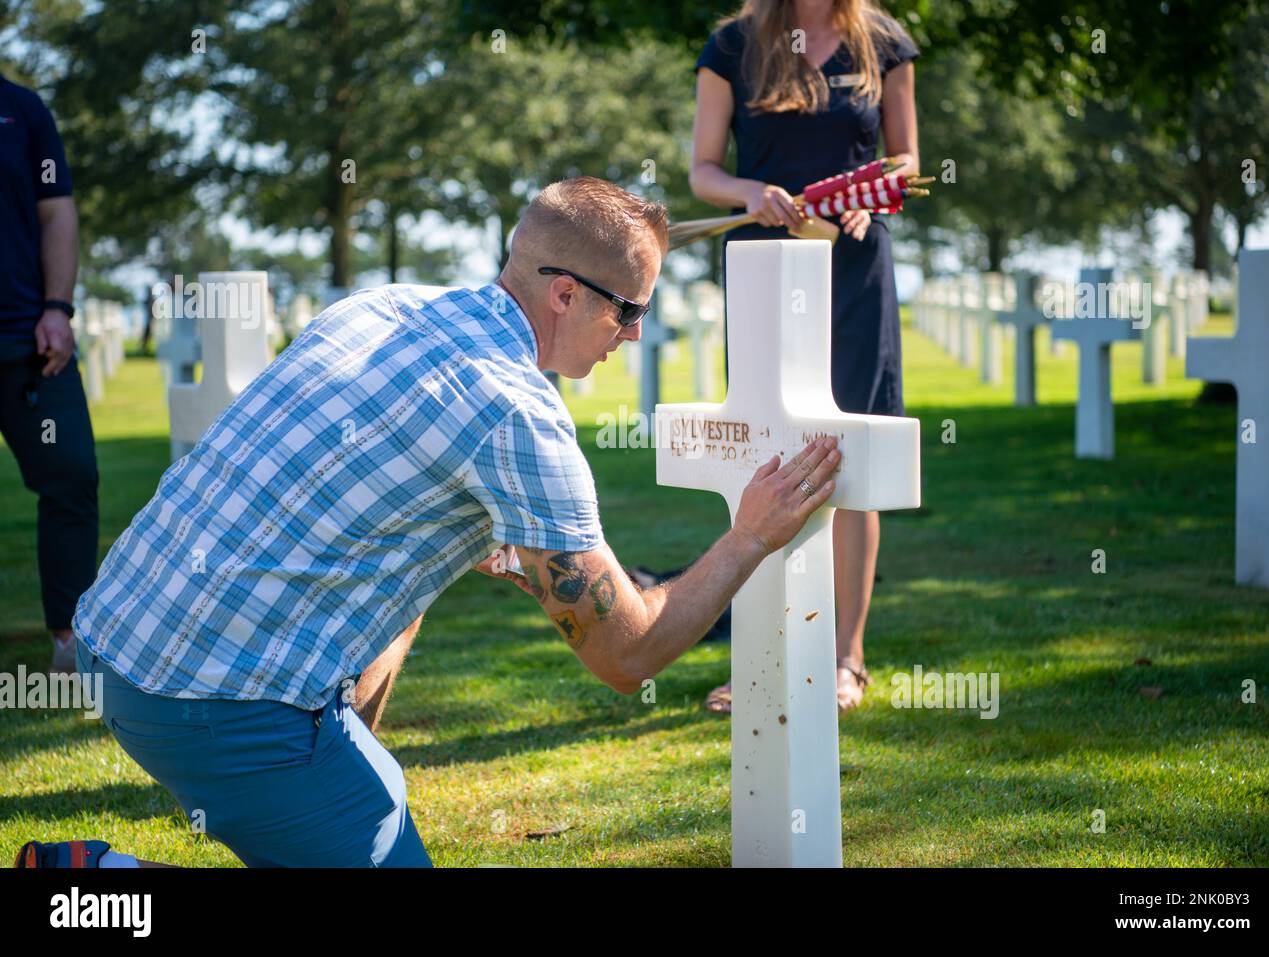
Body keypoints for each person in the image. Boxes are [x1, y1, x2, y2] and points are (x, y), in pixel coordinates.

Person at [15, 177, 842, 869]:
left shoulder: (383, 308)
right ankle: (105, 888)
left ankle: (97, 874)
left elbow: (359, 523)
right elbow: (629, 654)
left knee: (368, 797)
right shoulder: (519, 415)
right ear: (565, 293)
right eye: (627, 311)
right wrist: (748, 536)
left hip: (113, 638)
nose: (633, 333)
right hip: (217, 700)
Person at [689, 0, 919, 712]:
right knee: (768, 450)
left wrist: (876, 194)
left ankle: (847, 656)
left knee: (852, 447)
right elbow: (703, 170)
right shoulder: (731, 45)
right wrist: (749, 191)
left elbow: (908, 157)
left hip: (853, 263)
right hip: (765, 266)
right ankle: (759, 654)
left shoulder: (884, 42)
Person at [0, 69, 98, 675]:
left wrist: (57, 307)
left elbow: (56, 213)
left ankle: (69, 642)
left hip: (29, 344)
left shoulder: (22, 110)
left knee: (70, 476)